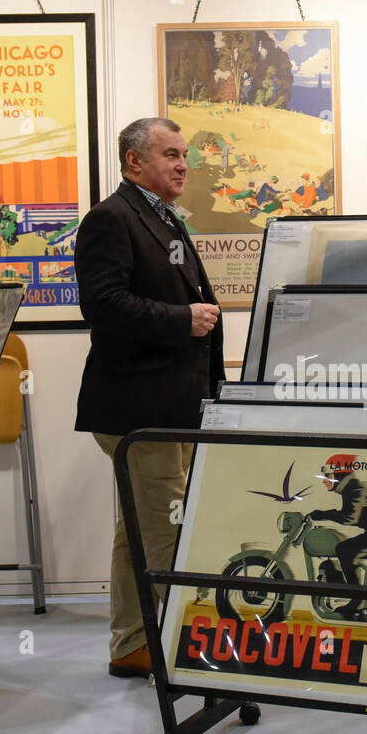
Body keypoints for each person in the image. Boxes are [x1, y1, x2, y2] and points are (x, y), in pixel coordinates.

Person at [74, 116, 224, 679]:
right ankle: (191, 643)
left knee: (139, 527)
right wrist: (182, 319)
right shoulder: (111, 220)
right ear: (134, 162)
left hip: (172, 405)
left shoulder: (162, 219)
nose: (183, 164)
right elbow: (104, 306)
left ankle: (132, 646)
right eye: (169, 154)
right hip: (141, 408)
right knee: (167, 528)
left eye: (185, 154)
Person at [307, 454, 367, 586]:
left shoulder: (355, 489)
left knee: (344, 550)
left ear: (339, 475)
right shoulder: (349, 488)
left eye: (328, 476)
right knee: (344, 550)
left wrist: (323, 514)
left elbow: (350, 518)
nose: (324, 480)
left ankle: (355, 596)